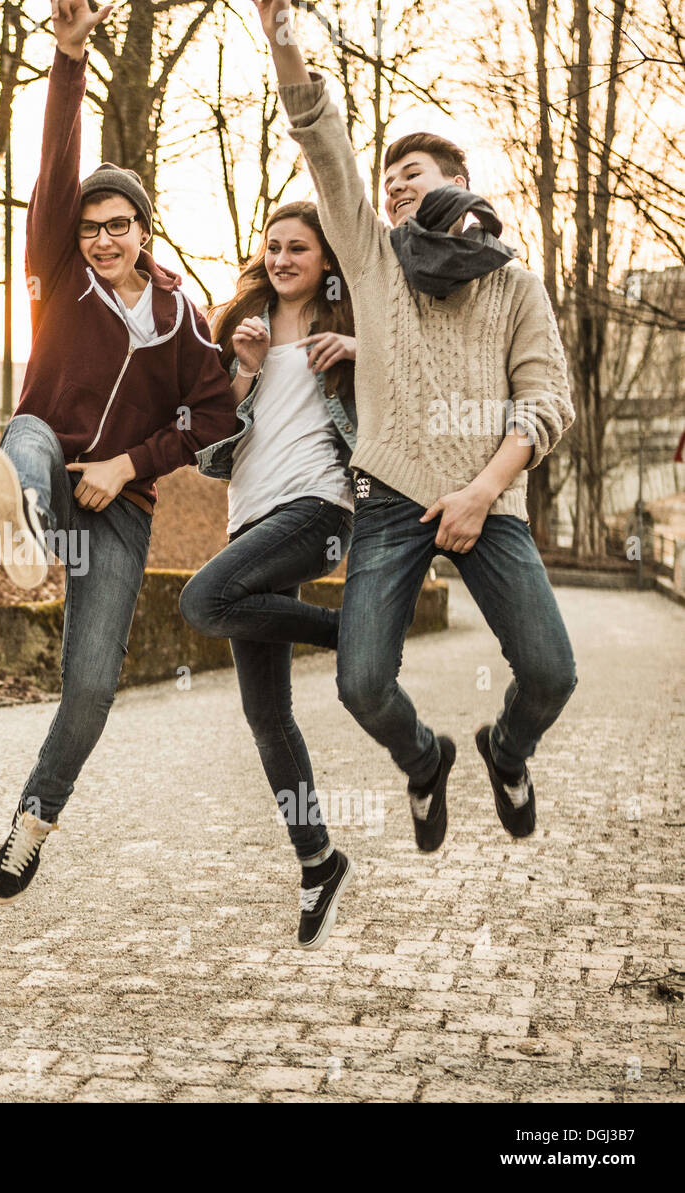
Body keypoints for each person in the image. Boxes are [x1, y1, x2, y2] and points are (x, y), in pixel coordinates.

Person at [254, 0, 577, 851]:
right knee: (361, 684)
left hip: (488, 501)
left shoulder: (515, 287)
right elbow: (322, 141)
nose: (395, 185)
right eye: (389, 177)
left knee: (551, 671)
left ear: (459, 185)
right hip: (393, 497)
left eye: (414, 174)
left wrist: (482, 490)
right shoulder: (372, 260)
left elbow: (546, 403)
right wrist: (281, 33)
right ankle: (426, 759)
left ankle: (506, 752)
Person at [0, 0, 239, 904]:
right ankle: (22, 534)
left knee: (89, 689)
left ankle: (34, 818)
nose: (103, 237)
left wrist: (131, 465)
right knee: (26, 440)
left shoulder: (178, 320)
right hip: (45, 453)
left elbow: (215, 418)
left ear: (144, 231)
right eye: (91, 226)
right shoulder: (63, 278)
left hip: (119, 508)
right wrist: (68, 57)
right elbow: (53, 169)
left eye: (119, 224)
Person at [180, 201, 358, 949]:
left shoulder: (351, 326)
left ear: (326, 259)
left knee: (202, 598)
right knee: (266, 714)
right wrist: (242, 372)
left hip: (319, 510)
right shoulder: (241, 326)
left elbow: (412, 379)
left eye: (300, 248)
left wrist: (358, 350)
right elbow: (204, 443)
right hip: (250, 518)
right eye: (274, 247)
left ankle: (354, 634)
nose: (284, 259)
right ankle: (319, 859)